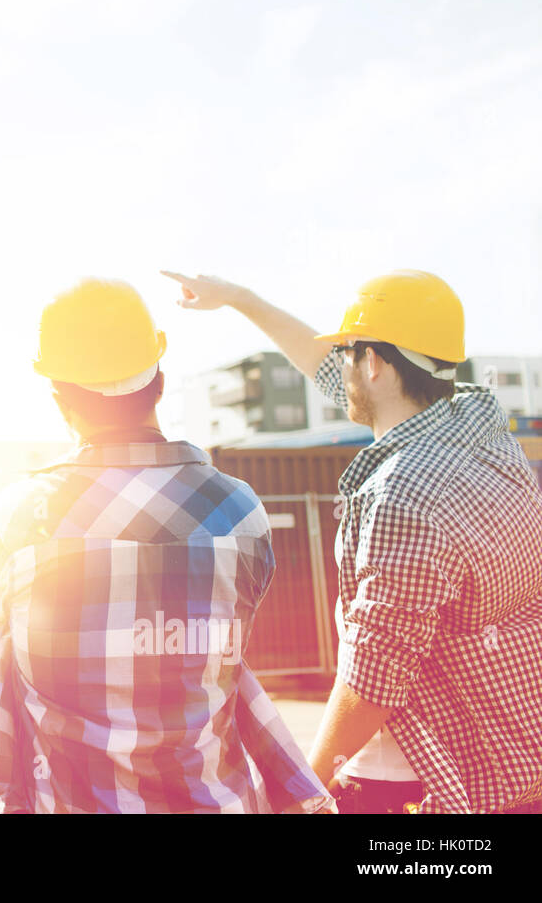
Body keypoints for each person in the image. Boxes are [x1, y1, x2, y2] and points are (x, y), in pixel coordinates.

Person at [162, 269, 542, 814]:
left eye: (346, 352)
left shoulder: (404, 496)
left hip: (417, 781)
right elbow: (328, 373)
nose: (337, 367)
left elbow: (373, 679)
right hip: (515, 761)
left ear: (375, 365)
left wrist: (305, 788)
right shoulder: (481, 427)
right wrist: (242, 299)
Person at [0, 277, 332, 813]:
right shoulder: (241, 510)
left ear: (58, 397)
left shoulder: (22, 517)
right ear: (159, 380)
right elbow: (232, 643)